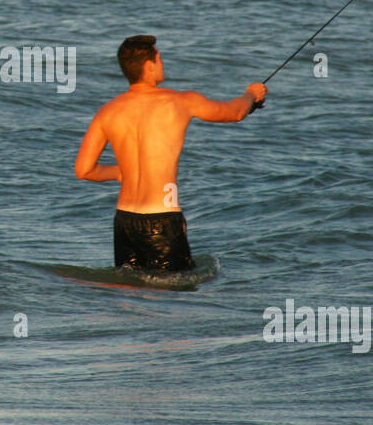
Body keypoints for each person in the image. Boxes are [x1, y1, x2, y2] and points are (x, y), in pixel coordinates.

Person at [74, 34, 267, 272]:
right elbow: (234, 112)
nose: (163, 63)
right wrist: (251, 94)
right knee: (174, 296)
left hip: (124, 221)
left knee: (129, 296)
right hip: (161, 218)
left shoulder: (108, 111)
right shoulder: (180, 101)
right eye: (160, 58)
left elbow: (84, 170)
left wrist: (120, 172)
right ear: (149, 66)